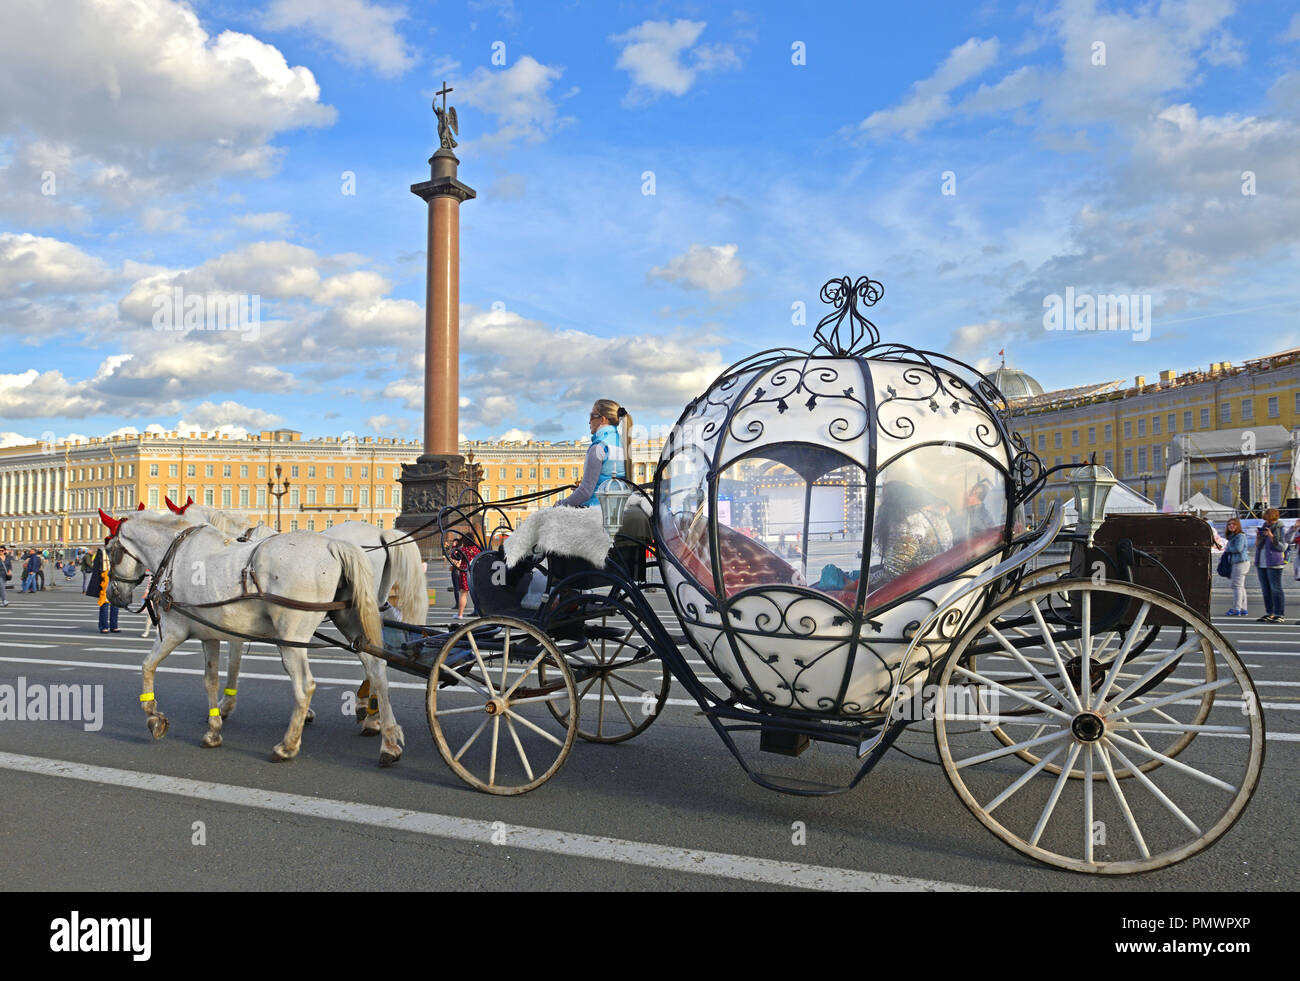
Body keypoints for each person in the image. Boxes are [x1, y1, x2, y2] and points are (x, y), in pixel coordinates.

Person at [868, 481, 955, 591]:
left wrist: (862, 582)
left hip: (921, 588)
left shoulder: (909, 521)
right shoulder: (930, 515)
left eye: (883, 499)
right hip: (936, 581)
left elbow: (894, 572)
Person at [559, 399, 632, 508]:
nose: (589, 421)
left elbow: (585, 493)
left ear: (602, 420)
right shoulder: (622, 444)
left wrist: (560, 504)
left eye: (592, 416)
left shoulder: (599, 447)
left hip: (595, 511)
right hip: (616, 509)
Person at [1254, 507, 1286, 623]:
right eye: (1266, 520)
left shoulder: (1280, 528)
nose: (1268, 523)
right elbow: (1258, 545)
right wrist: (1258, 536)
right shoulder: (1263, 527)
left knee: (1276, 589)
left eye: (1270, 521)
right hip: (1261, 562)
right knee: (1265, 589)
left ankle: (1279, 613)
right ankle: (1269, 612)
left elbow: (1282, 547)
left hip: (1274, 562)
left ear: (1275, 519)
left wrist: (1271, 536)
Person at [85, 547, 119, 633]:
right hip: (105, 581)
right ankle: (104, 626)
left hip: (116, 580)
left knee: (115, 605)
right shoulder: (102, 552)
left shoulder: (120, 551)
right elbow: (96, 569)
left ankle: (114, 626)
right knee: (105, 604)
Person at [1222, 516, 1250, 616]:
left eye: (1233, 524)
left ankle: (1236, 608)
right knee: (1241, 586)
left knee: (1237, 586)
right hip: (1238, 562)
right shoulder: (1233, 536)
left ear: (1238, 525)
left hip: (1240, 562)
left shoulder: (1240, 536)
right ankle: (1243, 608)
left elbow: (1238, 548)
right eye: (1229, 524)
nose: (1231, 526)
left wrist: (1228, 548)